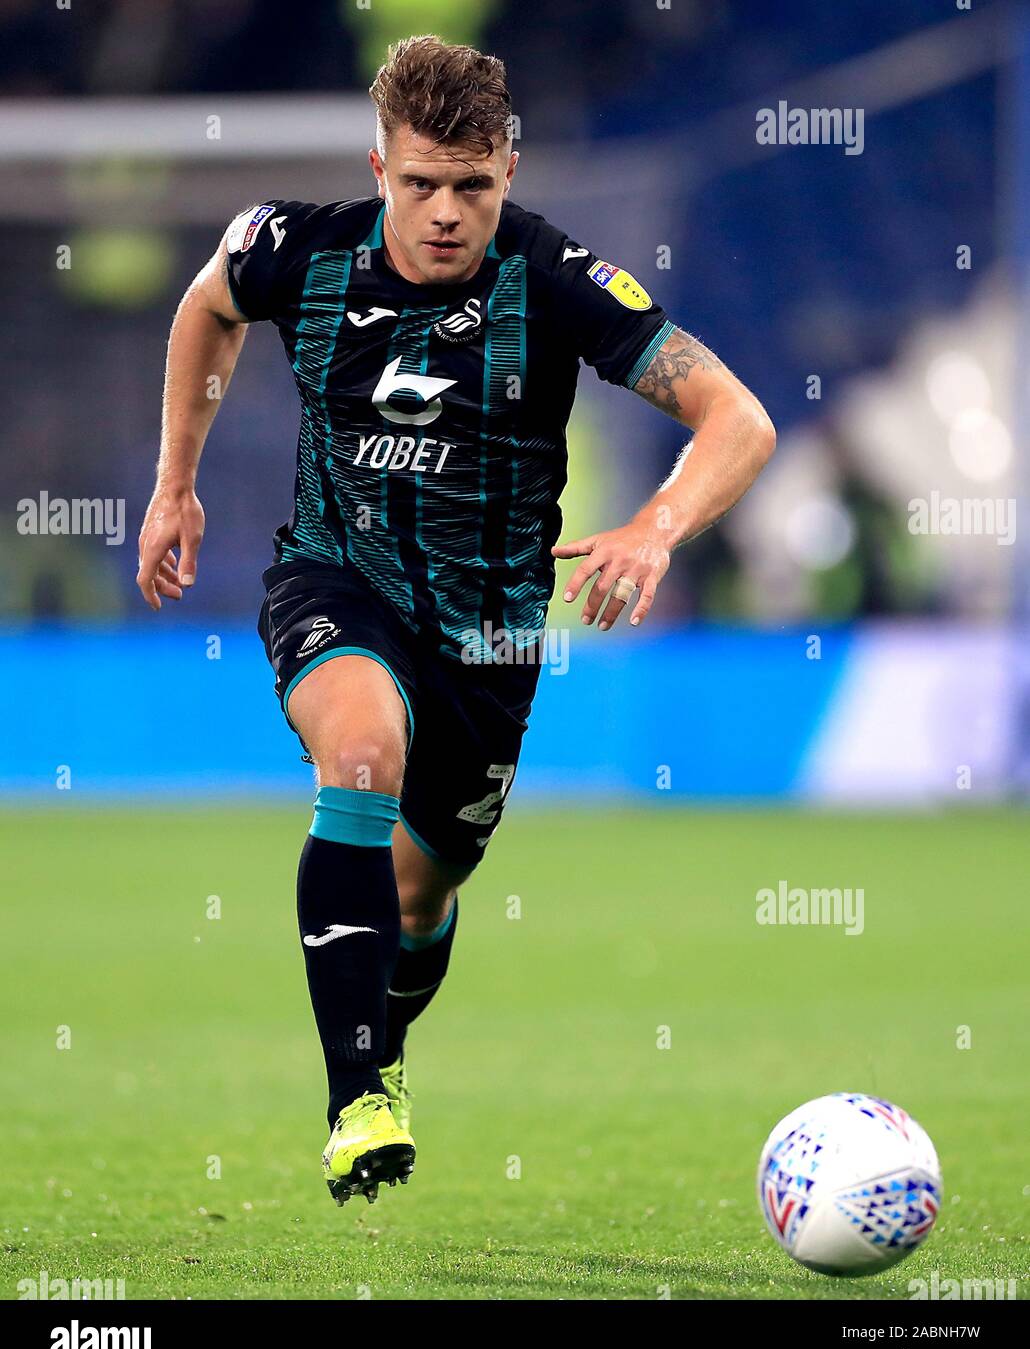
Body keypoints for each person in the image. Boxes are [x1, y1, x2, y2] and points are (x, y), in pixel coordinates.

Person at [137, 34, 776, 1206]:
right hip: (335, 579)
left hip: (490, 640)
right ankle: (358, 1097)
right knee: (362, 752)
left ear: (509, 176)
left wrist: (656, 527)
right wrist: (177, 479)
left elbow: (735, 416)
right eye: (421, 182)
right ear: (378, 165)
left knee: (419, 897)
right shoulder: (297, 247)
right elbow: (205, 304)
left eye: (472, 188)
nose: (445, 213)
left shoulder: (557, 280)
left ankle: (390, 1032)